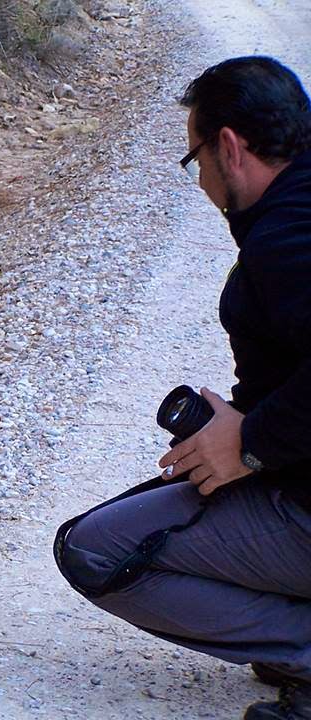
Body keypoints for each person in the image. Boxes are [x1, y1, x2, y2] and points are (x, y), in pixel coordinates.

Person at [54, 56, 311, 720]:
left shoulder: (288, 237)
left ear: (229, 146)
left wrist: (249, 444)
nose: (199, 180)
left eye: (194, 159)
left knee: (95, 550)